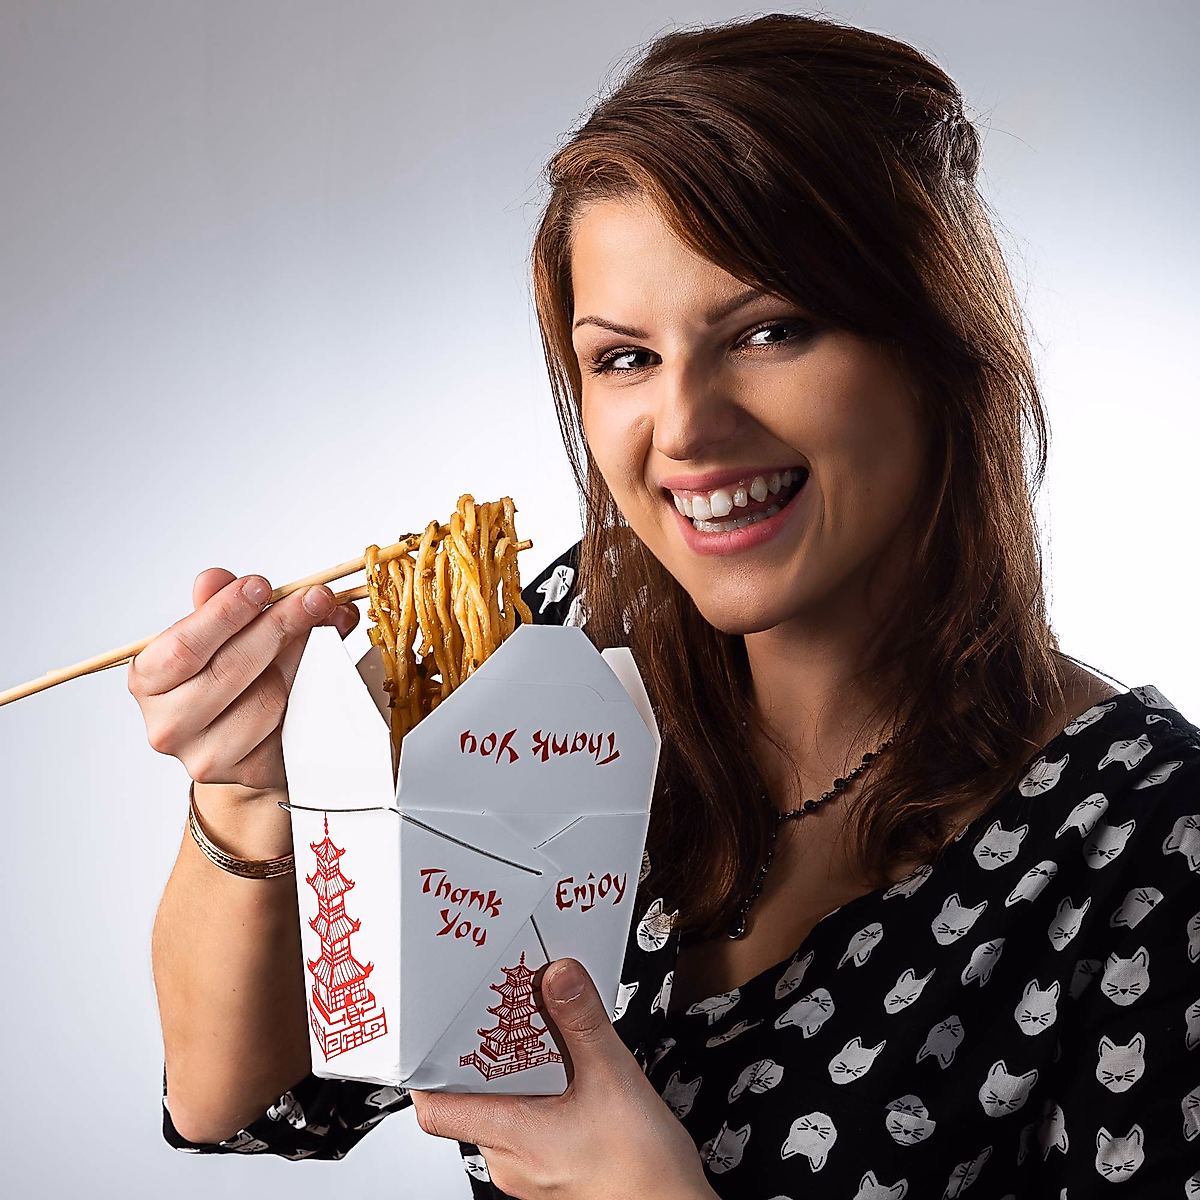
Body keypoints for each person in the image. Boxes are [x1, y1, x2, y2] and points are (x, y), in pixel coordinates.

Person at [129, 12, 1200, 1199]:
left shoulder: (1152, 840)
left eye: (771, 331)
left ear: (938, 351)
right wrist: (249, 796)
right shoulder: (557, 642)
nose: (685, 427)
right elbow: (241, 1099)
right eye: (625, 357)